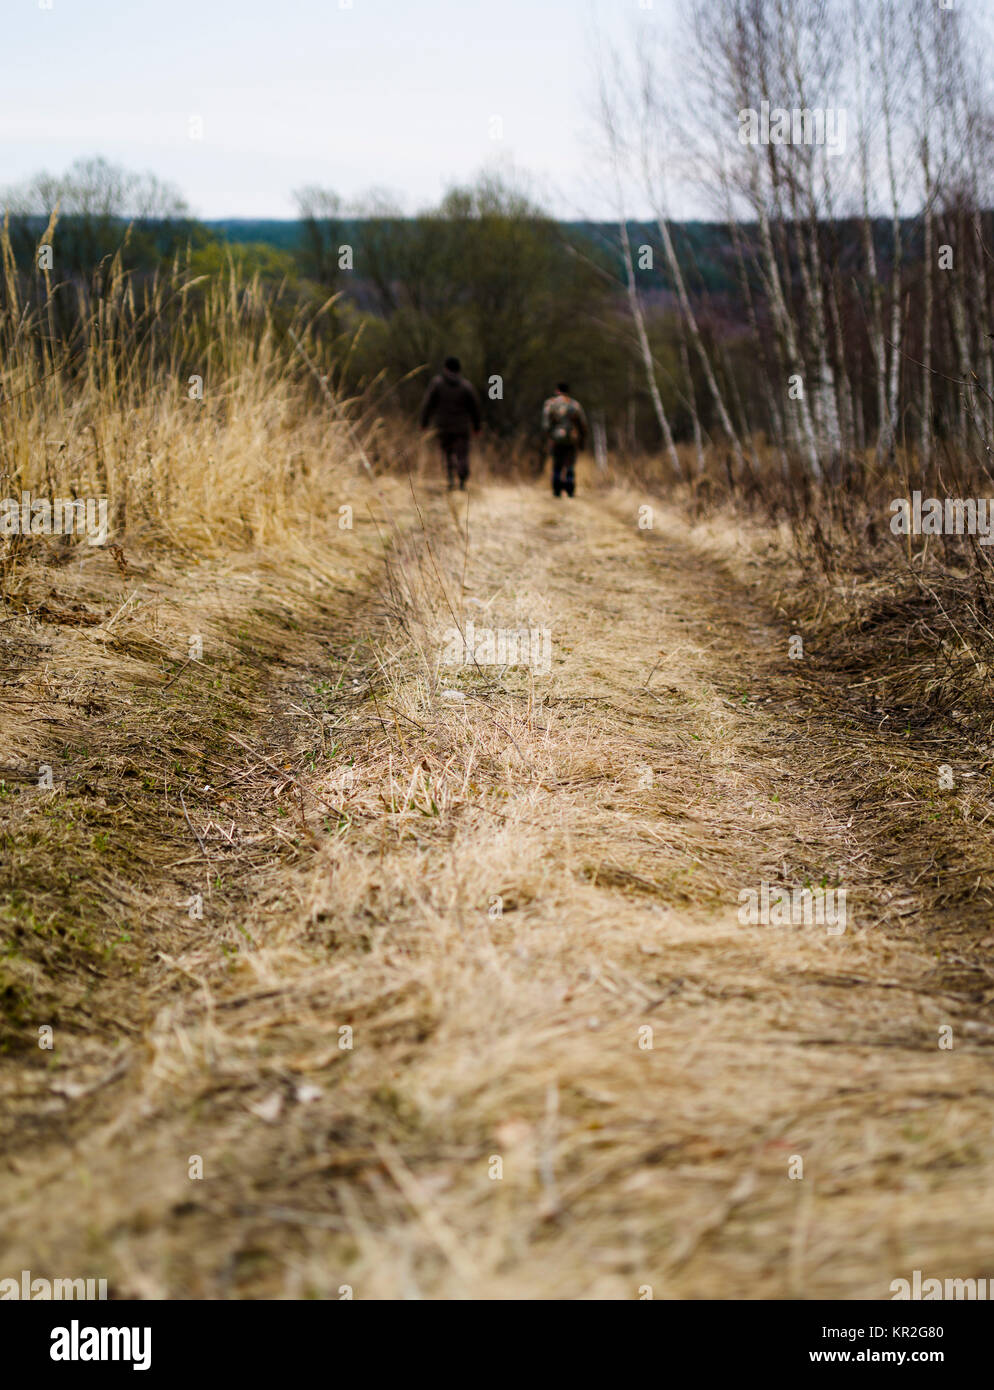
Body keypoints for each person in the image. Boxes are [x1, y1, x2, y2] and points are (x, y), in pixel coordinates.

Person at [419, 356, 482, 490]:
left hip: (443, 426)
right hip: (461, 428)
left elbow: (427, 404)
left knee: (447, 454)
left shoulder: (437, 384)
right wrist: (477, 427)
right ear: (459, 369)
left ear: (445, 368)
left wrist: (424, 422)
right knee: (462, 455)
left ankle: (450, 479)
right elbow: (475, 408)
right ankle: (462, 479)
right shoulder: (466, 386)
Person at [541, 382, 588, 498]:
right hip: (571, 439)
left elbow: (546, 425)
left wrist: (548, 438)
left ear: (557, 391)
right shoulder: (574, 405)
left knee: (557, 464)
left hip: (556, 439)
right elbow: (583, 425)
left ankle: (557, 490)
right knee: (569, 465)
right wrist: (582, 440)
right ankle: (570, 489)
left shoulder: (550, 404)